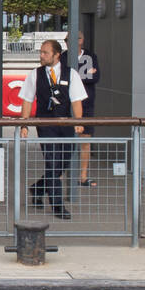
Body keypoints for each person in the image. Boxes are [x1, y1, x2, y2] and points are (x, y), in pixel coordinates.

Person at [18, 39, 86, 219]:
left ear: (57, 55)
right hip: (45, 124)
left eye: (45, 52)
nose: (41, 55)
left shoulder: (71, 74)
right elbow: (27, 100)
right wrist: (24, 124)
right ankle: (57, 204)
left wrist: (78, 122)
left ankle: (38, 188)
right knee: (52, 161)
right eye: (41, 52)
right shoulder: (35, 74)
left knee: (63, 161)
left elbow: (77, 100)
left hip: (65, 124)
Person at [75, 31, 101, 187]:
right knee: (65, 140)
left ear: (83, 40)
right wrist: (85, 74)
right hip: (68, 104)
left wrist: (77, 75)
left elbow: (96, 77)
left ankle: (83, 176)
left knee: (85, 139)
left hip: (86, 103)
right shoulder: (63, 57)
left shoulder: (91, 56)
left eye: (78, 38)